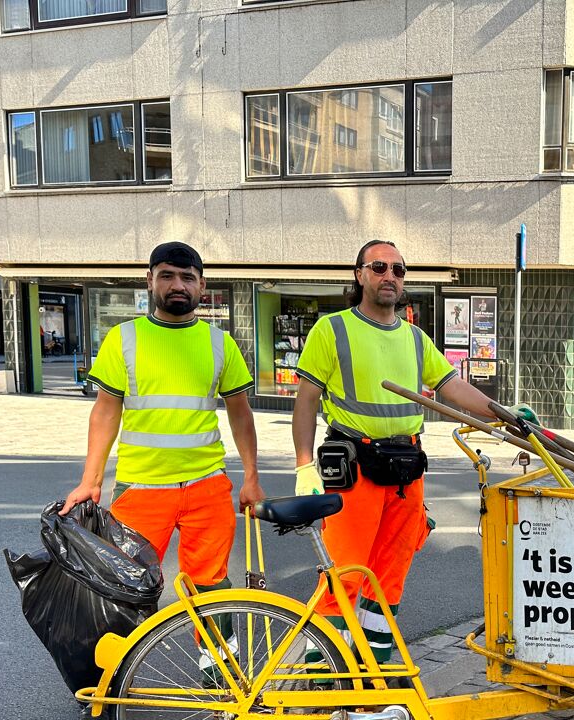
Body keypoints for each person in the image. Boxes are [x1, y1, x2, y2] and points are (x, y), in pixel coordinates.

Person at [292, 239, 525, 664]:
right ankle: (321, 676)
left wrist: (502, 414)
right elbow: (306, 399)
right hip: (354, 469)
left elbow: (452, 387)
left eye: (398, 270)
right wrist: (304, 464)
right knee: (343, 575)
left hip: (405, 474)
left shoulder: (416, 339)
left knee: (387, 579)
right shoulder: (333, 329)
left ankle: (374, 667)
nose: (390, 277)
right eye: (379, 267)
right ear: (359, 274)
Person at [61, 241, 263, 599]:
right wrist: (89, 481)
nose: (177, 285)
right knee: (128, 586)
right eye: (166, 276)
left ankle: (215, 656)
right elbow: (105, 412)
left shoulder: (221, 343)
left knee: (212, 584)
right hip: (141, 487)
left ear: (202, 285)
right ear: (149, 281)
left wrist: (251, 478)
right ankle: (128, 656)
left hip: (207, 486)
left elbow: (241, 415)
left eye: (188, 277)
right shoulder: (123, 338)